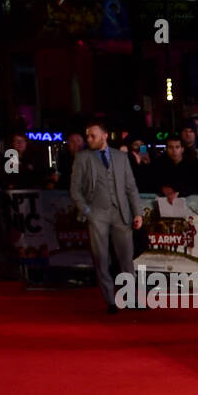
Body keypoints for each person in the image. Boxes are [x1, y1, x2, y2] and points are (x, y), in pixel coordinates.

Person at [69, 122, 143, 313]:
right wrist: (87, 212)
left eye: (92, 136)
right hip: (97, 214)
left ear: (105, 136)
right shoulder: (82, 157)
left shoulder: (121, 157)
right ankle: (111, 301)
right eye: (88, 136)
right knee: (102, 259)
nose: (89, 139)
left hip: (121, 213)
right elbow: (75, 190)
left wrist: (137, 213)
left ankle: (132, 298)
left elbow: (131, 187)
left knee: (126, 259)